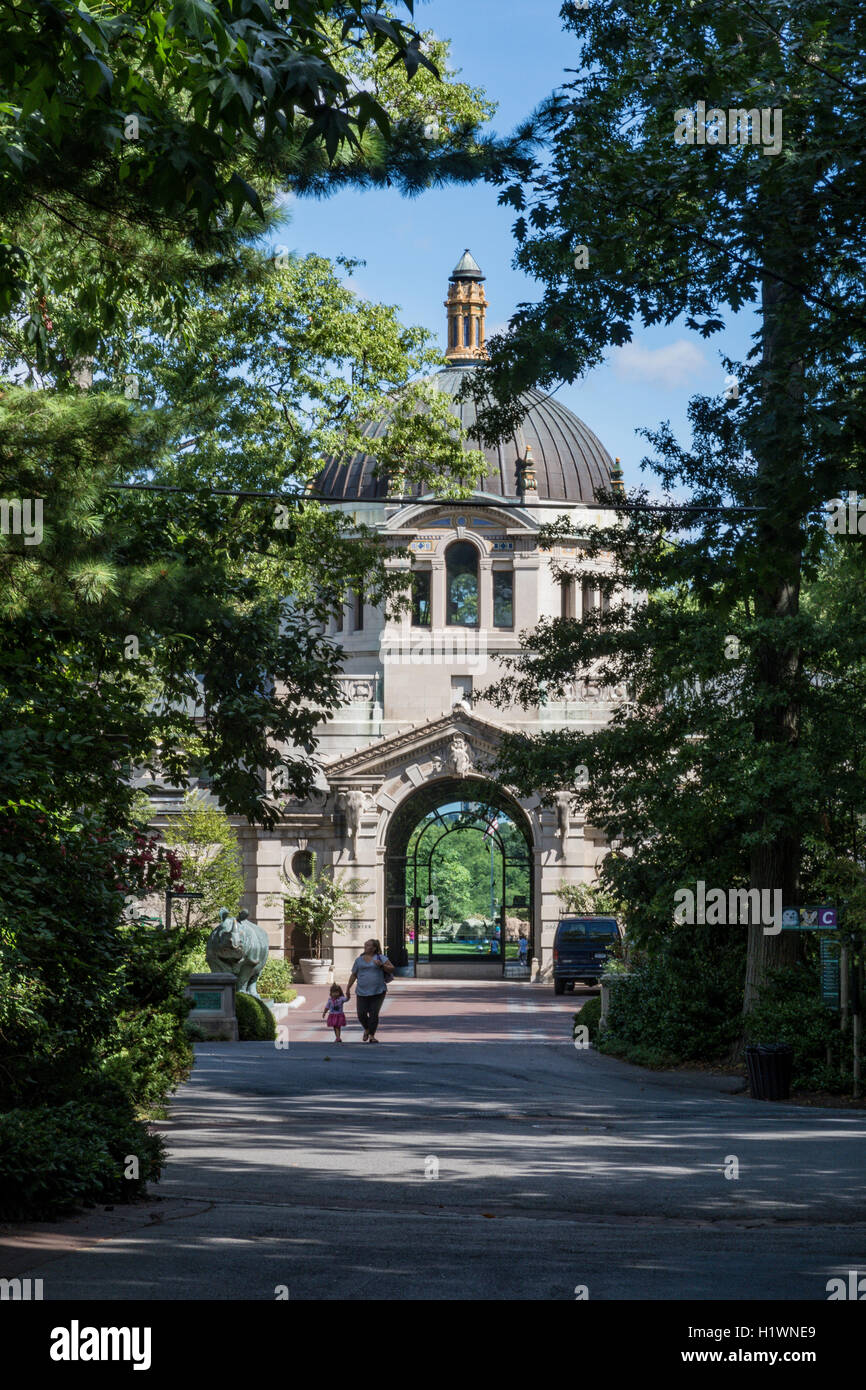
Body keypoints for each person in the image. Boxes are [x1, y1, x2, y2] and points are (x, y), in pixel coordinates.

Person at [345, 938, 394, 1043]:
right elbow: (354, 974)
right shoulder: (359, 960)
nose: (365, 947)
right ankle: (367, 1029)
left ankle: (372, 1035)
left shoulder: (381, 958)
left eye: (368, 945)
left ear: (374, 948)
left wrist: (381, 965)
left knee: (374, 1014)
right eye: (365, 945)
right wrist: (348, 988)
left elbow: (391, 968)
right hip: (362, 991)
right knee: (361, 1014)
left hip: (378, 991)